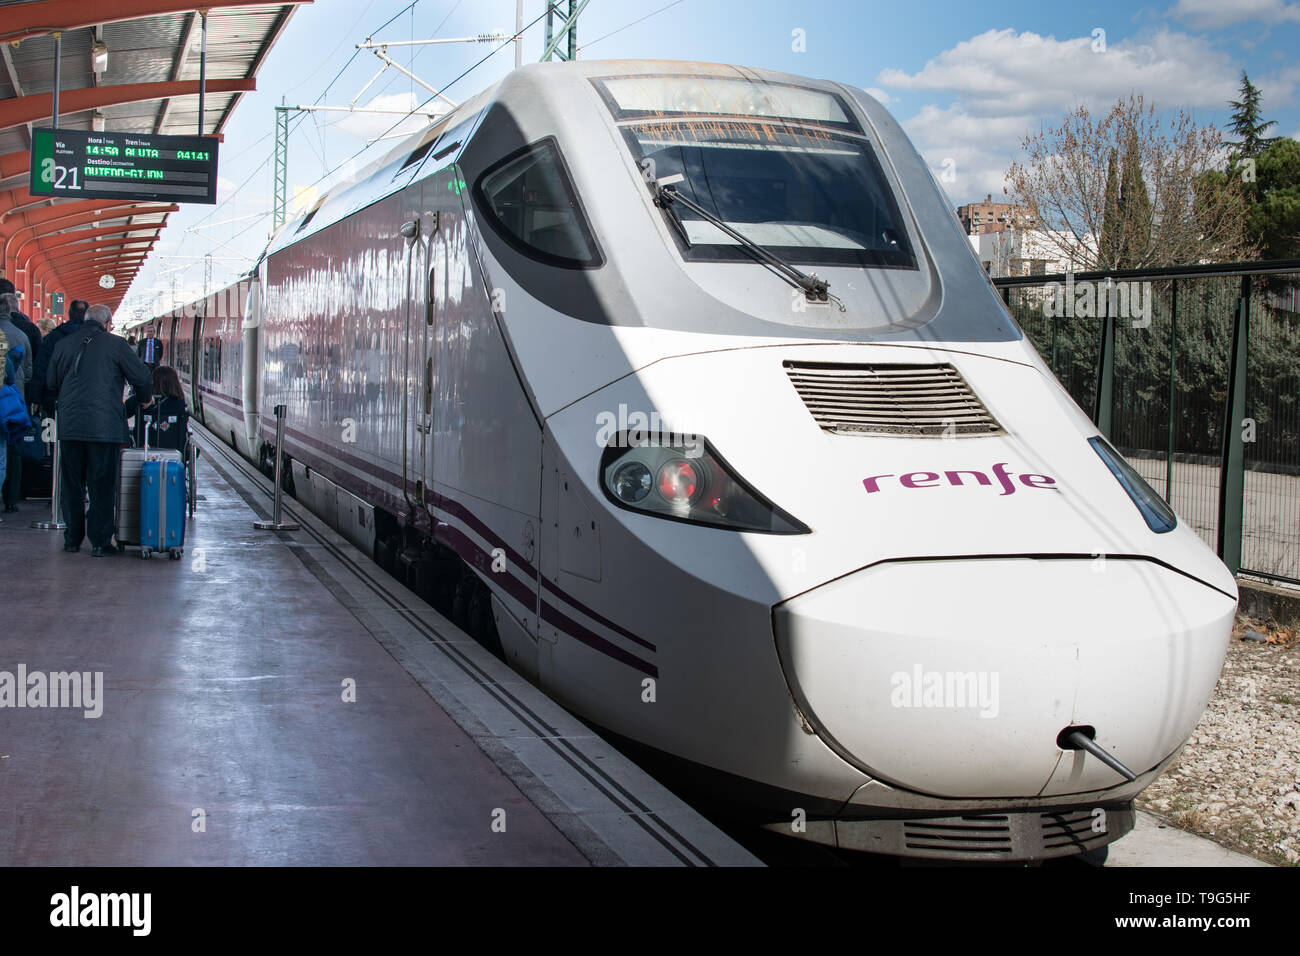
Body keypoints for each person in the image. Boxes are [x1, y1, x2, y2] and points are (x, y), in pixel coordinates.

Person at [45, 304, 153, 556]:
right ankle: (100, 542)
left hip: (70, 427)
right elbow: (142, 377)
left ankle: (72, 540)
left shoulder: (63, 344)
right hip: (104, 429)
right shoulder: (117, 345)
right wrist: (145, 399)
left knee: (71, 484)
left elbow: (51, 382)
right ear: (107, 323)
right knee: (101, 485)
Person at [0, 298, 31, 514]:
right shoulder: (21, 335)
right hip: (9, 404)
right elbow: (21, 372)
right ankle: (10, 499)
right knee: (7, 453)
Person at [33, 298, 89, 412]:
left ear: (69, 314)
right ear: (87, 315)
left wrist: (36, 398)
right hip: (87, 398)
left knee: (54, 428)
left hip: (55, 397)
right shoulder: (98, 338)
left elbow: (41, 367)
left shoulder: (53, 337)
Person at [126, 365, 189, 453]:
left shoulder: (140, 399)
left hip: (143, 451)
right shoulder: (179, 403)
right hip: (174, 453)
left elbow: (122, 413)